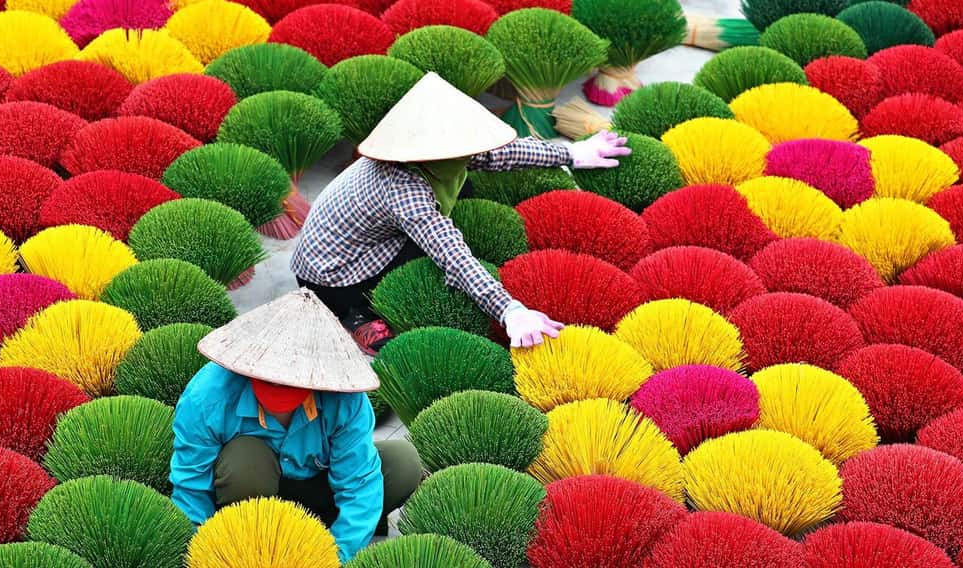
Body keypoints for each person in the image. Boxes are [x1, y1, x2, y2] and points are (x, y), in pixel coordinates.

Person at [292, 72, 631, 354]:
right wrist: (510, 310)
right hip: (334, 275)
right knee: (429, 262)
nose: (474, 149)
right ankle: (354, 314)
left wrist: (572, 153)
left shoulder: (438, 153)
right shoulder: (403, 189)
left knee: (465, 188)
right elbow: (453, 256)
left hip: (367, 239)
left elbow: (502, 154)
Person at [170, 289, 422, 563]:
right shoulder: (208, 395)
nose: (280, 387)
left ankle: (319, 531)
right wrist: (209, 551)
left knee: (402, 463)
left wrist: (333, 556)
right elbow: (191, 486)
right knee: (245, 459)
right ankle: (255, 540)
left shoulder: (345, 401)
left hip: (319, 489)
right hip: (251, 495)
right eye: (271, 380)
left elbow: (359, 484)